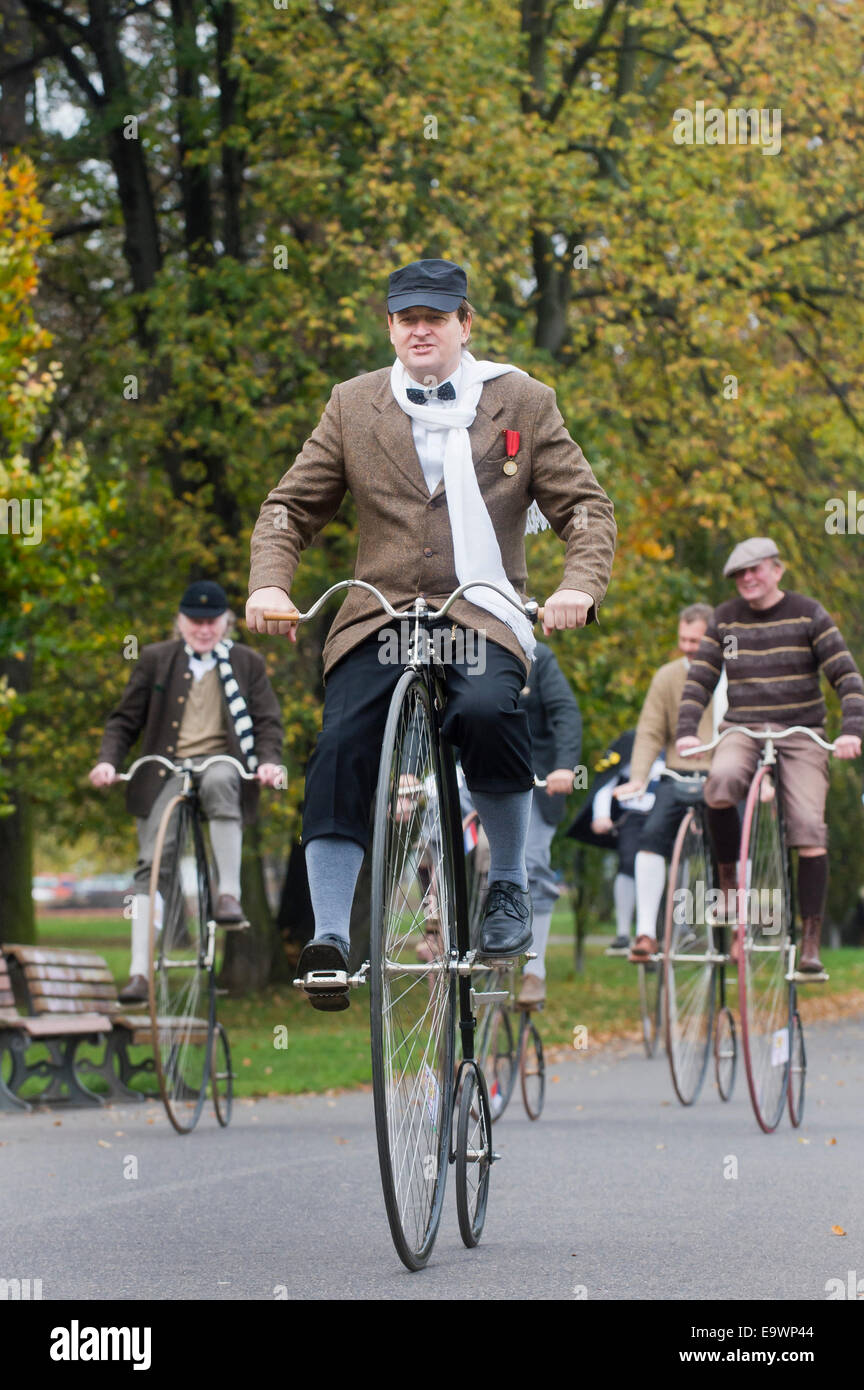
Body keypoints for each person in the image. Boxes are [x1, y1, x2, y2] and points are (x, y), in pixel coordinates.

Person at [246, 257, 616, 1010]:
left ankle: (506, 887)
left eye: (435, 317)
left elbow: (585, 508)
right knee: (345, 738)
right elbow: (290, 507)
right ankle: (328, 934)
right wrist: (270, 582)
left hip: (481, 609)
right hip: (379, 615)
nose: (420, 329)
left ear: (464, 325)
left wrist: (578, 585)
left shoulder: (522, 401)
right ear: (390, 326)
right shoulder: (353, 404)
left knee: (486, 710)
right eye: (406, 318)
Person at [675, 538, 863, 975]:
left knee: (808, 825)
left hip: (801, 732)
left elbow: (847, 677)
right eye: (740, 574)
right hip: (744, 729)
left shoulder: (808, 613)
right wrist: (686, 731)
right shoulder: (725, 619)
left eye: (755, 570)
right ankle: (727, 885)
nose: (747, 579)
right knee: (718, 783)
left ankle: (811, 935)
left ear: (777, 571)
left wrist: (852, 731)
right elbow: (699, 681)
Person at [89, 582, 284, 1001]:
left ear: (225, 622)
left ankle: (227, 895)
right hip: (166, 770)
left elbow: (267, 721)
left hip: (221, 762)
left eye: (211, 621)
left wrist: (268, 761)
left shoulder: (246, 663)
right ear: (180, 622)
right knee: (151, 860)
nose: (203, 629)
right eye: (195, 621)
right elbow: (124, 720)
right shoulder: (157, 660)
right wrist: (108, 761)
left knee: (218, 780)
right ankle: (140, 972)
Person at [612, 603, 723, 962]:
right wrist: (640, 778)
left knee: (732, 842)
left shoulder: (732, 676)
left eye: (698, 640)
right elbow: (649, 732)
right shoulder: (667, 677)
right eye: (684, 640)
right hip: (678, 774)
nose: (689, 647)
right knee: (651, 836)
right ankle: (646, 931)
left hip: (723, 774)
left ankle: (737, 927)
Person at [513, 641, 583, 1008]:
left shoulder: (537, 657)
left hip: (533, 778)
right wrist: (412, 774)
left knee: (533, 860)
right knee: (432, 829)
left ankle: (533, 973)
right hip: (470, 773)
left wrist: (564, 766)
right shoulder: (459, 646)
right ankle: (436, 923)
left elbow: (566, 713)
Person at [567, 731, 663, 951]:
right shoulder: (630, 741)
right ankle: (623, 933)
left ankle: (677, 926)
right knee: (628, 863)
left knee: (677, 862)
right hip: (634, 816)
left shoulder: (677, 743)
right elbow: (607, 782)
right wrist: (601, 815)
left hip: (665, 816)